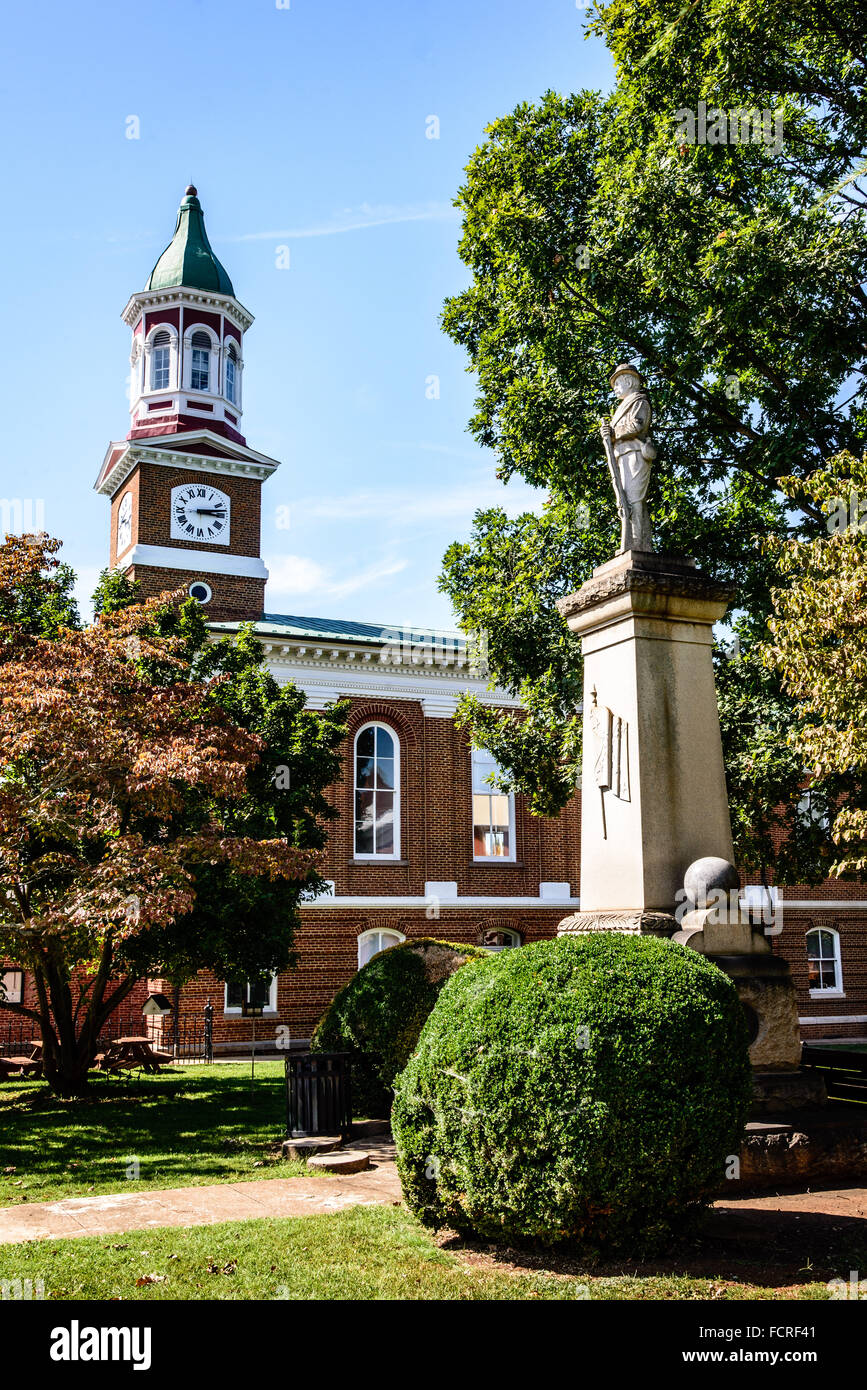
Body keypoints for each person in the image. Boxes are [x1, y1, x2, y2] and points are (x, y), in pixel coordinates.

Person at [600, 363, 656, 553]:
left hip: (634, 454)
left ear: (629, 382)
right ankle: (638, 543)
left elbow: (636, 426)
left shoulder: (639, 401)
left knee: (633, 500)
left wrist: (613, 432)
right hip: (622, 455)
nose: (615, 388)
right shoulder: (623, 406)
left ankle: (636, 544)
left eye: (617, 383)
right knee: (625, 501)